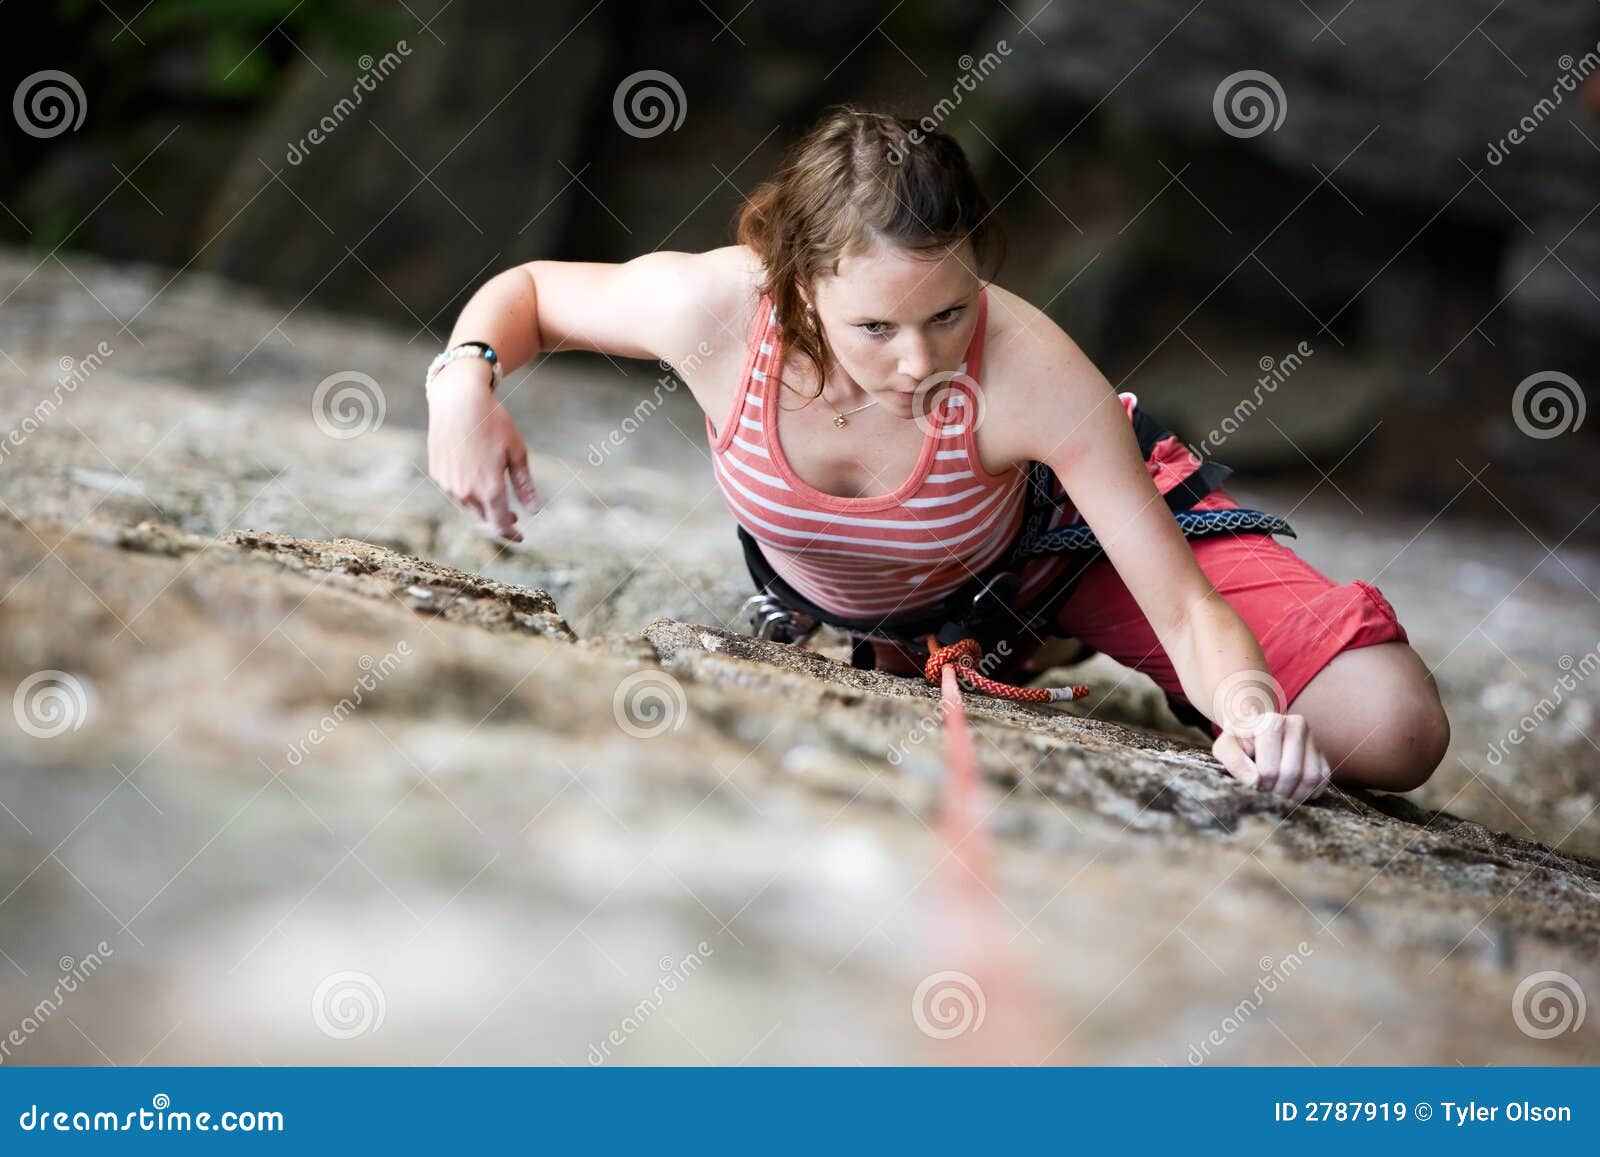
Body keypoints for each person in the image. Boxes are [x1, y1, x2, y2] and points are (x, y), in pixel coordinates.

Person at [425, 104, 1450, 804]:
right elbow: (530, 293)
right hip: (919, 616)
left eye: (950, 310)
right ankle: (1025, 650)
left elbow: (1184, 602)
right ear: (790, 286)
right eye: (877, 328)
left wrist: (1249, 711)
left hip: (1068, 539)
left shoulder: (1033, 371)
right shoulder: (715, 309)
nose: (921, 359)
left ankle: (1064, 635)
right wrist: (464, 380)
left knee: (1392, 727)